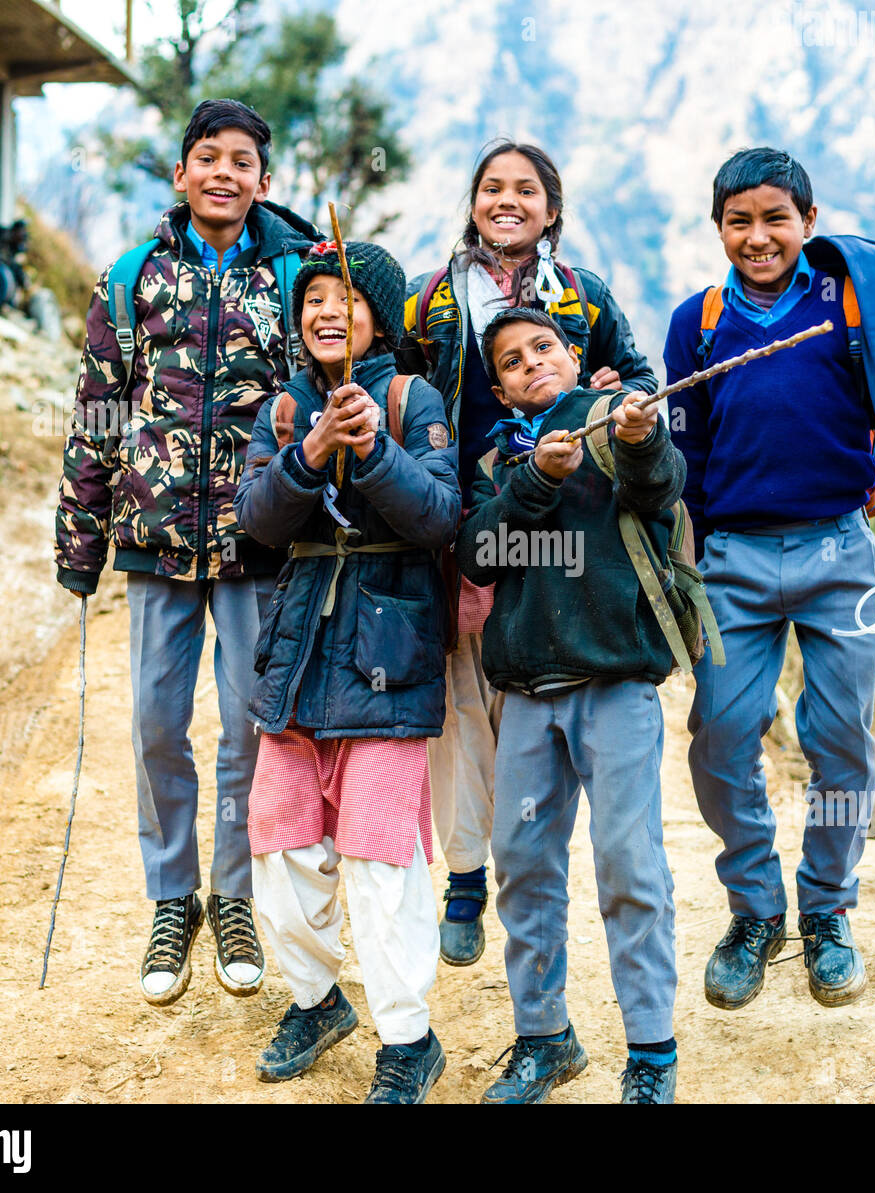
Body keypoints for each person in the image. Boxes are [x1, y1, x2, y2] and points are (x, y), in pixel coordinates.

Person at [664, 146, 875, 1012]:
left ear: (809, 220)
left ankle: (828, 909)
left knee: (840, 744)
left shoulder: (859, 306)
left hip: (842, 551)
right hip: (734, 562)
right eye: (739, 221)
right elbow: (686, 453)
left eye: (774, 219)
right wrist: (687, 556)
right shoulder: (699, 319)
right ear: (717, 227)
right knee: (719, 737)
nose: (758, 237)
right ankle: (755, 911)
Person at [54, 98, 318, 1006]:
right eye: (208, 157)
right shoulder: (130, 278)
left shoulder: (291, 277)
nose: (223, 174)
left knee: (249, 727)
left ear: (264, 182)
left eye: (242, 161)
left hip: (256, 539)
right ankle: (174, 897)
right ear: (181, 173)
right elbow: (97, 414)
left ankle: (233, 893)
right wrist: (79, 542)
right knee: (159, 726)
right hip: (156, 540)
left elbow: (323, 393)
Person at [400, 139, 657, 966]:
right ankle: (468, 877)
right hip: (473, 521)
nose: (505, 201)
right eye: (490, 188)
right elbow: (399, 393)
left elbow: (640, 375)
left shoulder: (581, 299)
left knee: (526, 707)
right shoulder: (431, 300)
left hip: (565, 534)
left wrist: (624, 400)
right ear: (471, 201)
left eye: (526, 190)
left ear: (552, 207)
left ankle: (529, 874)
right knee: (465, 708)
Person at [234, 240, 460, 1103]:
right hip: (296, 655)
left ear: (379, 313)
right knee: (281, 843)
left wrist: (371, 451)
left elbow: (439, 516)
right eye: (314, 299)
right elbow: (257, 520)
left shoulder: (411, 399)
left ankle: (409, 1037)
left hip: (389, 654)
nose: (327, 312)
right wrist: (311, 450)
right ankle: (318, 998)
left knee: (379, 856)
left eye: (347, 299)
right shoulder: (288, 409)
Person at [456, 308, 683, 1104]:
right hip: (523, 695)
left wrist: (639, 437)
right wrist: (534, 481)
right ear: (499, 387)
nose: (531, 365)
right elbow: (478, 549)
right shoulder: (495, 461)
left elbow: (661, 490)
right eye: (513, 362)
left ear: (575, 354)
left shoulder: (613, 420)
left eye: (543, 348)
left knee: (628, 862)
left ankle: (652, 1048)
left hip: (616, 683)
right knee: (522, 867)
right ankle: (544, 1036)